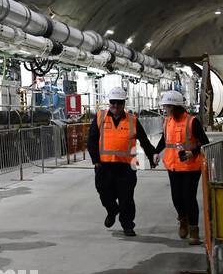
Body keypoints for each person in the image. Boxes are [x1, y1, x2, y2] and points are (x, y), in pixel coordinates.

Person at [87, 87, 157, 237]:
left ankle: (127, 225)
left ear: (124, 103)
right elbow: (91, 140)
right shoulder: (100, 117)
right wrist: (96, 161)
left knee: (126, 198)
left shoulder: (132, 120)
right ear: (109, 103)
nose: (116, 106)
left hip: (126, 167)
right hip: (104, 166)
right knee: (104, 194)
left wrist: (152, 156)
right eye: (113, 103)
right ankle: (112, 210)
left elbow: (144, 141)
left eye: (119, 103)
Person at [151, 89, 209, 243]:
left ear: (175, 107)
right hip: (173, 166)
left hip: (190, 167)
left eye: (167, 107)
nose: (165, 110)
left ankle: (194, 230)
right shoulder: (167, 121)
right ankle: (183, 220)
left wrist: (194, 152)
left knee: (189, 197)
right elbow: (165, 140)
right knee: (176, 198)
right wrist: (156, 152)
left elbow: (205, 142)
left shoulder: (192, 121)